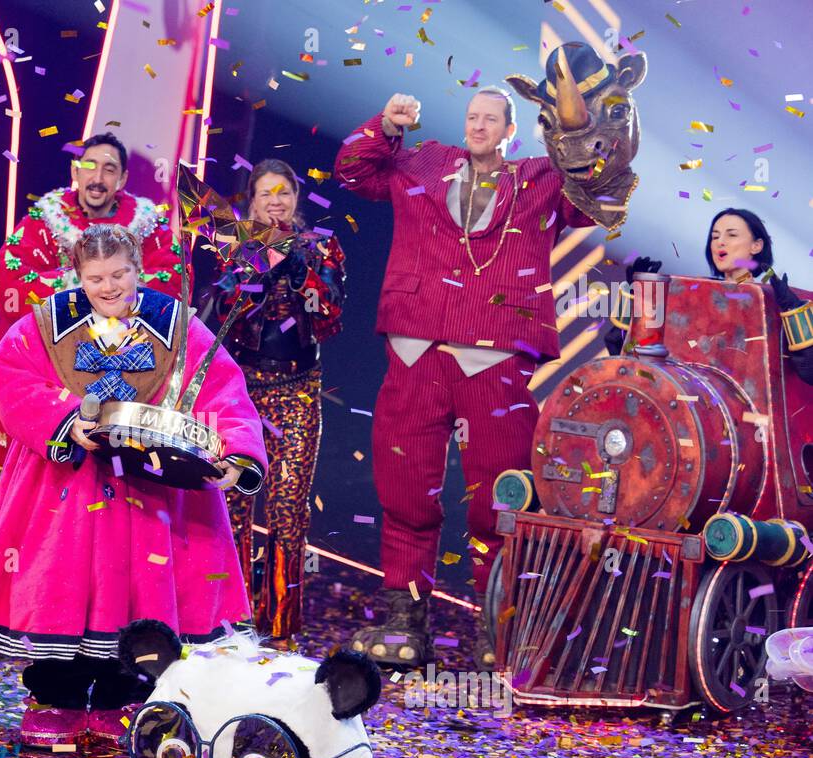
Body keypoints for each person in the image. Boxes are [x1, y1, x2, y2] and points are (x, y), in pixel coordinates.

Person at [0, 224, 267, 749]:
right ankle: (57, 697)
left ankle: (126, 697)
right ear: (77, 277)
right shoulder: (44, 326)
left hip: (150, 490)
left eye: (120, 274)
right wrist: (65, 420)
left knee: (141, 590)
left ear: (138, 271)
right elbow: (13, 380)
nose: (109, 286)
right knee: (63, 585)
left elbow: (224, 389)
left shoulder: (177, 325)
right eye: (96, 277)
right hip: (66, 486)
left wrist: (235, 451)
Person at [335, 77, 601, 670]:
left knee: (499, 495)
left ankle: (498, 624)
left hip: (495, 352)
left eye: (491, 119)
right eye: (472, 116)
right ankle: (405, 619)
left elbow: (596, 198)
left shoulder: (538, 179)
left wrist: (585, 131)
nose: (478, 125)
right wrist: (386, 125)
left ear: (510, 131)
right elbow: (353, 171)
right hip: (416, 344)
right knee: (404, 486)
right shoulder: (425, 163)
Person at [0, 132, 185, 468]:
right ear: (76, 170)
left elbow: (173, 282)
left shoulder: (148, 226)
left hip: (125, 363)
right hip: (52, 363)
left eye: (110, 169)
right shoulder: (47, 218)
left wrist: (110, 293)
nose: (98, 178)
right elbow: (12, 276)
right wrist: (82, 291)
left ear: (123, 179)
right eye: (90, 166)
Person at [206, 158, 345, 641]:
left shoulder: (322, 247)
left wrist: (304, 272)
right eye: (265, 193)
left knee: (287, 506)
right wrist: (252, 273)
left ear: (296, 198)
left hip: (298, 390)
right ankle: (231, 622)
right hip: (241, 390)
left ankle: (281, 625)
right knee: (234, 501)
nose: (275, 201)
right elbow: (220, 316)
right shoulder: (236, 246)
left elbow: (328, 319)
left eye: (283, 192)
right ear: (251, 201)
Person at [606, 209, 813, 383]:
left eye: (731, 235)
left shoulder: (773, 301)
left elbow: (809, 371)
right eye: (715, 236)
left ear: (756, 246)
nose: (720, 242)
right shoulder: (688, 296)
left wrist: (791, 308)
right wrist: (639, 298)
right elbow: (620, 352)